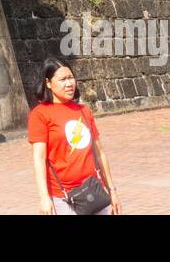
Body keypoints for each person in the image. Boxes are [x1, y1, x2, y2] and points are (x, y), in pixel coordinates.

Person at [28, 57, 121, 215]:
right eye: (63, 79)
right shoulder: (40, 114)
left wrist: (112, 190)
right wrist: (44, 197)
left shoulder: (84, 111)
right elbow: (39, 158)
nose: (69, 83)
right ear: (48, 83)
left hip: (94, 190)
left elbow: (100, 153)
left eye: (71, 77)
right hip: (63, 197)